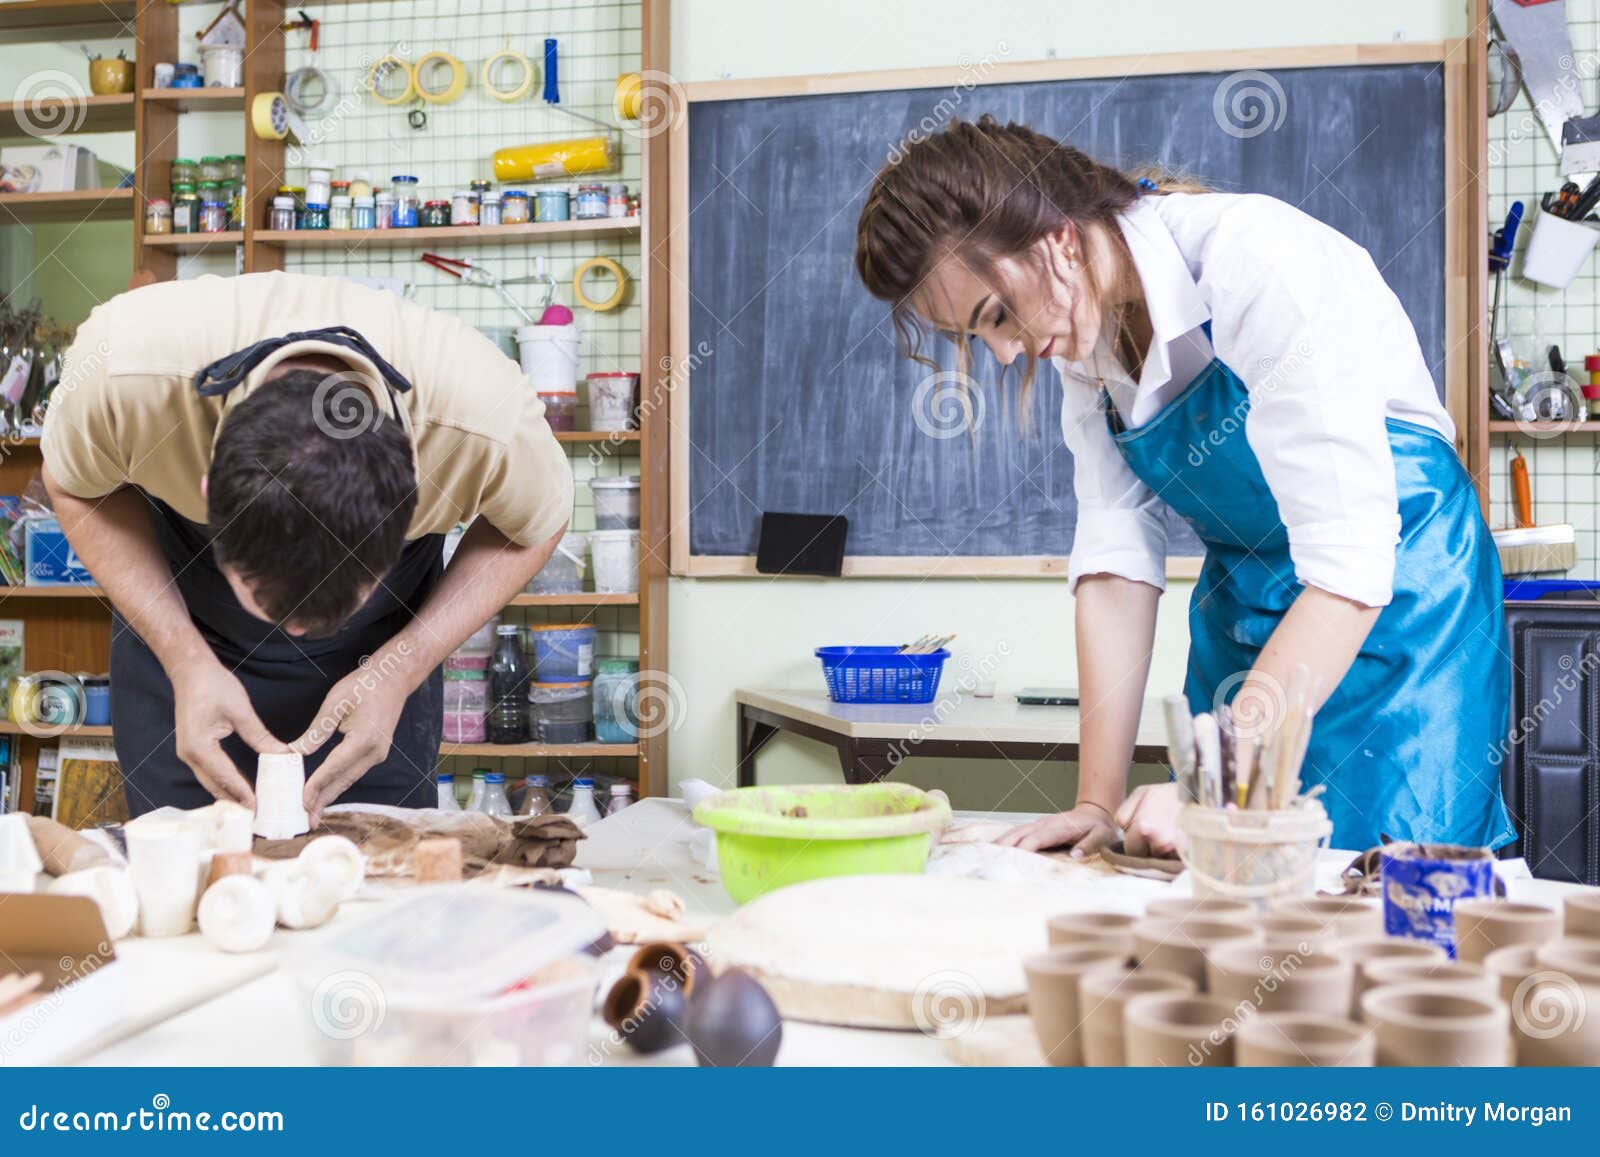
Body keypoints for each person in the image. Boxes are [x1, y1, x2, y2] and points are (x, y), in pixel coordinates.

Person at [853, 117, 1514, 855]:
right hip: (1250, 623)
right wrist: (1096, 804)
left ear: (1057, 240)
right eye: (979, 338)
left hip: (1396, 611)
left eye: (998, 315)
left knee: (1386, 906)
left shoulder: (1255, 262)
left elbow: (1352, 562)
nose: (1007, 354)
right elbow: (1115, 565)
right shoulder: (1085, 337)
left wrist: (1223, 772)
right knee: (1226, 904)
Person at [41, 271, 573, 820]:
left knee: (379, 872)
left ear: (405, 507)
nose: (294, 632)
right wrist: (182, 657)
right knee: (190, 875)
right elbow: (76, 487)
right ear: (210, 493)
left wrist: (401, 669)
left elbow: (532, 528)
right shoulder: (121, 370)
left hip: (379, 645)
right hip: (185, 609)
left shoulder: (487, 420)